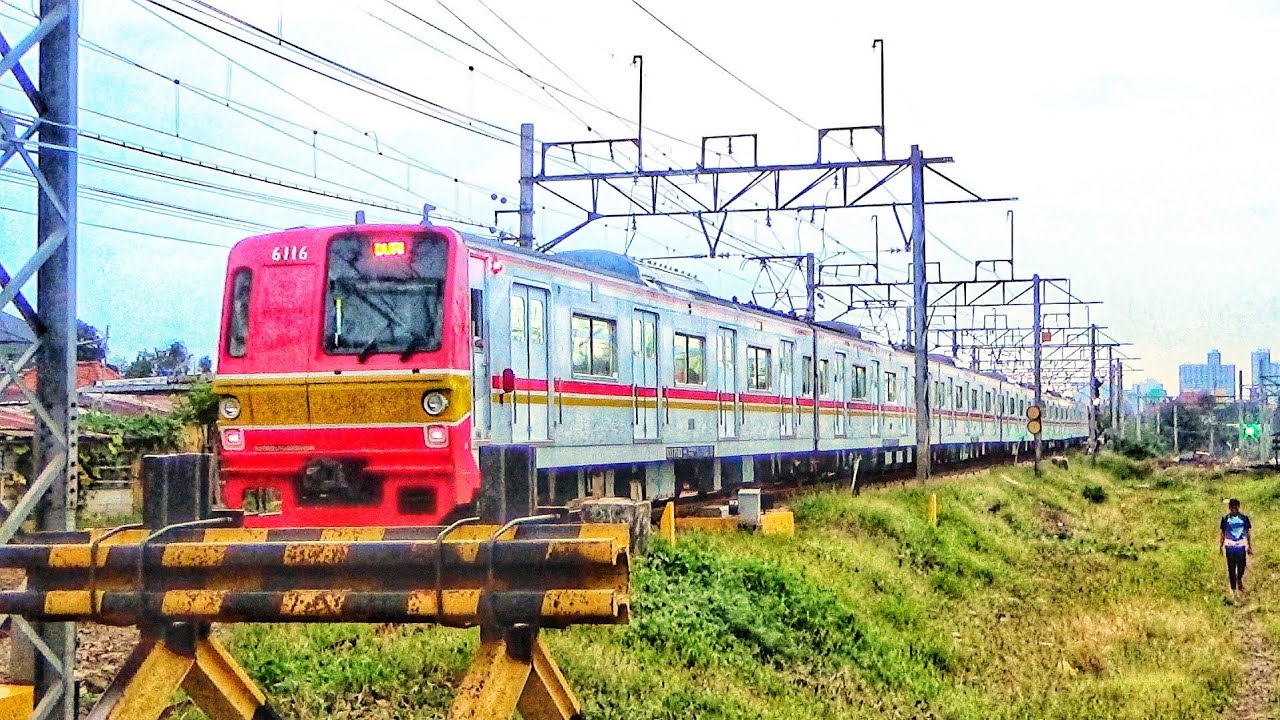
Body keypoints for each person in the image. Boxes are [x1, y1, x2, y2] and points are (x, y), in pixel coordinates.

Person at [1219, 498, 1253, 596]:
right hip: (1230, 545)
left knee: (1242, 565)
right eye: (1231, 506)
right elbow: (1223, 533)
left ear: (1238, 506)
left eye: (1235, 506)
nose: (1233, 508)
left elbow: (1247, 532)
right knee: (1231, 567)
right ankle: (1233, 588)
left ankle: (1239, 579)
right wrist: (1220, 546)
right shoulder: (1226, 519)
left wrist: (1249, 546)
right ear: (1229, 508)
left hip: (1241, 544)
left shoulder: (1244, 518)